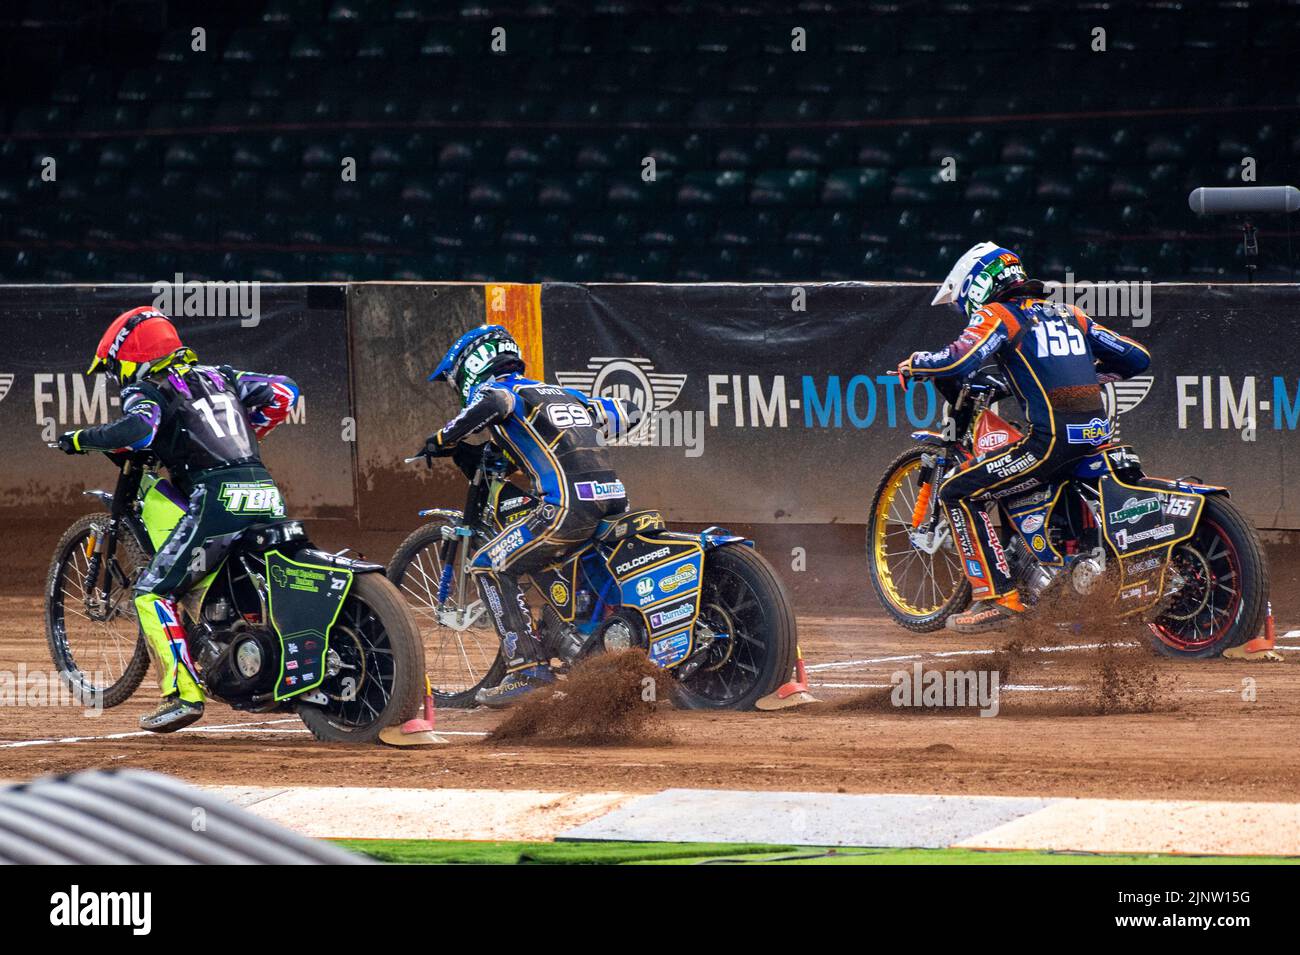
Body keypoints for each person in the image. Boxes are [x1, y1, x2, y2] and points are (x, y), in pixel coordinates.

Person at [57, 306, 299, 731]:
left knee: (151, 592)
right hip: (264, 490)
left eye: (115, 369)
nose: (117, 379)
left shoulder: (149, 388)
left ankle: (183, 694)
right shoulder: (220, 375)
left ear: (131, 356)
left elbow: (139, 431)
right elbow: (284, 392)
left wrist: (80, 439)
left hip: (217, 496)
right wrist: (249, 433)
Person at [898, 243, 1150, 633]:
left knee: (956, 491)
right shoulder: (1070, 314)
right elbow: (1136, 359)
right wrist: (1083, 371)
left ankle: (998, 597)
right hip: (1097, 437)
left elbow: (959, 359)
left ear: (976, 285)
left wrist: (917, 362)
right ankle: (1061, 574)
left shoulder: (1000, 315)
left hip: (1051, 443)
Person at [423, 325, 638, 706]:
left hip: (567, 508)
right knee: (576, 568)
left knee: (489, 563)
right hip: (612, 499)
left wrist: (442, 440)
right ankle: (586, 643)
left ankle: (525, 668)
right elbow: (628, 412)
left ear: (472, 366)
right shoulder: (560, 393)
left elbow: (492, 406)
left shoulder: (505, 392)